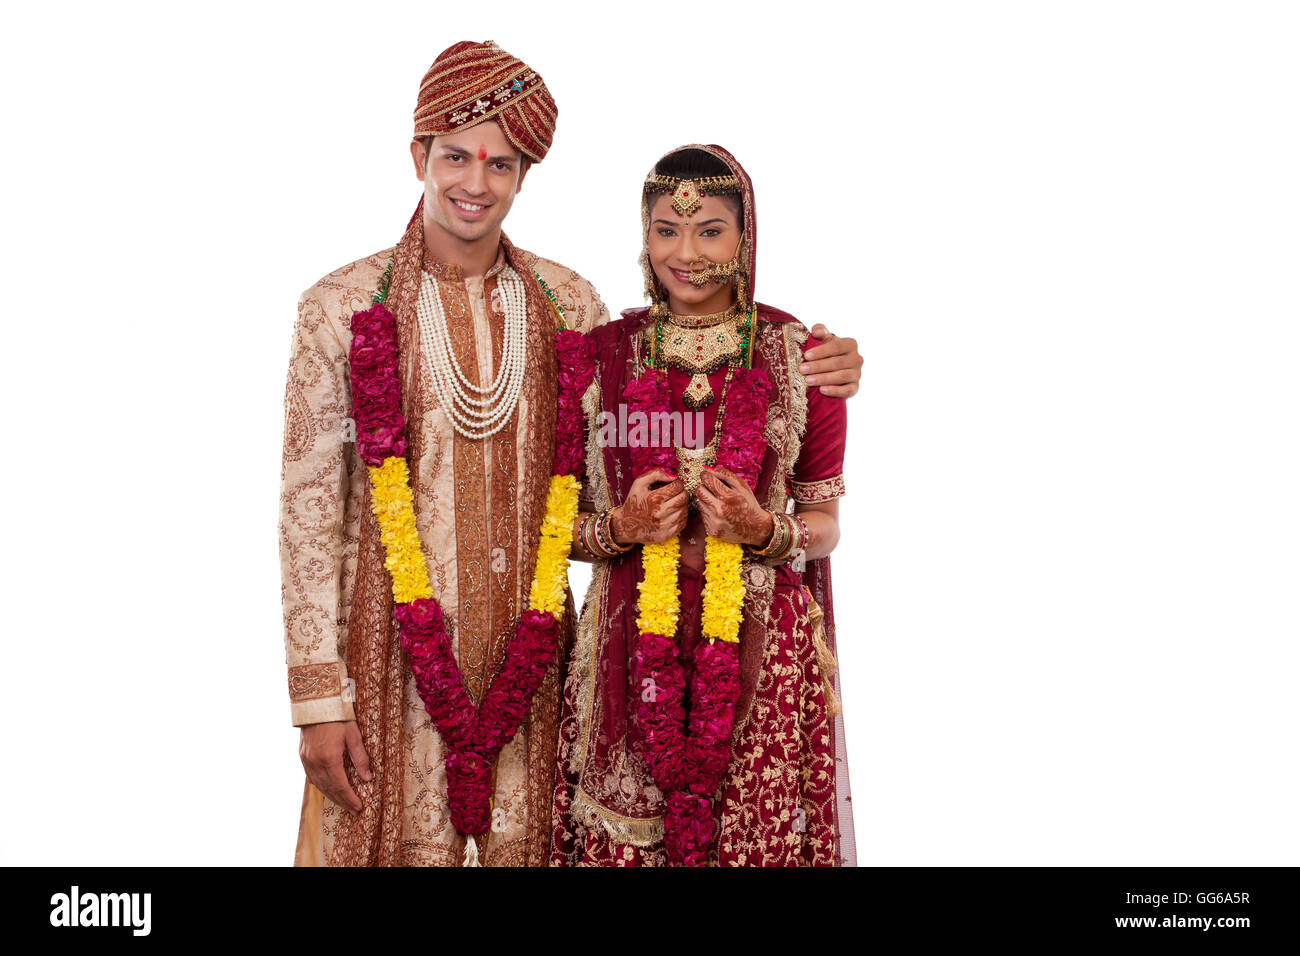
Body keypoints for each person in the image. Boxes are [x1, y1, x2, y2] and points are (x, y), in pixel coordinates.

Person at [279, 42, 864, 867]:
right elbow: (306, 509)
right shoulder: (339, 308)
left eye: (501, 163)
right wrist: (316, 698)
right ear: (418, 156)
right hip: (391, 663)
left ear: (524, 175)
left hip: (541, 670)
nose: (474, 182)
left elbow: (694, 355)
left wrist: (823, 359)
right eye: (455, 156)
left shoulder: (568, 307)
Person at [551, 144, 854, 865]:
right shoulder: (597, 356)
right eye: (666, 229)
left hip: (759, 653)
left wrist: (767, 531)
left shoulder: (800, 357)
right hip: (627, 654)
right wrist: (618, 526)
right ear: (643, 235)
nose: (685, 251)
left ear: (746, 238)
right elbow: (551, 527)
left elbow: (826, 526)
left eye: (710, 230)